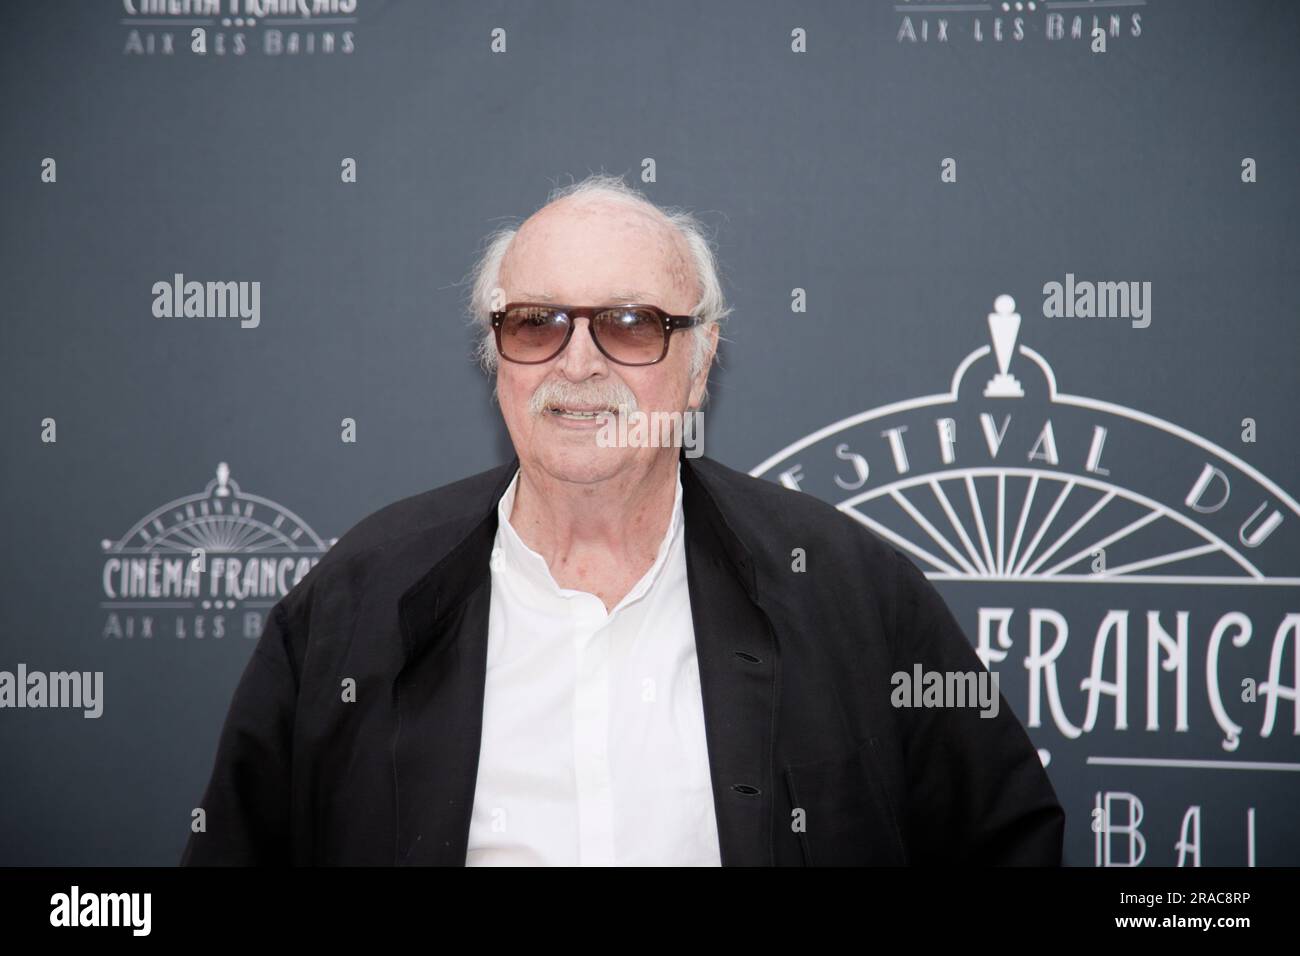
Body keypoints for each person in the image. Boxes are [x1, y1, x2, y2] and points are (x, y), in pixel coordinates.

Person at [181, 173, 1064, 866]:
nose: (577, 362)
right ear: (496, 361)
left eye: (631, 325)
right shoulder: (357, 602)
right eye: (536, 324)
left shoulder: (843, 589)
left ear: (701, 359)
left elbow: (1004, 840)